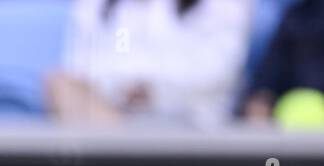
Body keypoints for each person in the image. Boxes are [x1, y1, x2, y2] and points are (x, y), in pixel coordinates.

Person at [45, 0, 254, 126]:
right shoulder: (101, 5)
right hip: (112, 114)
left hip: (193, 120)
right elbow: (83, 65)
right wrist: (122, 88)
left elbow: (218, 70)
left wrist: (152, 91)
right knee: (61, 85)